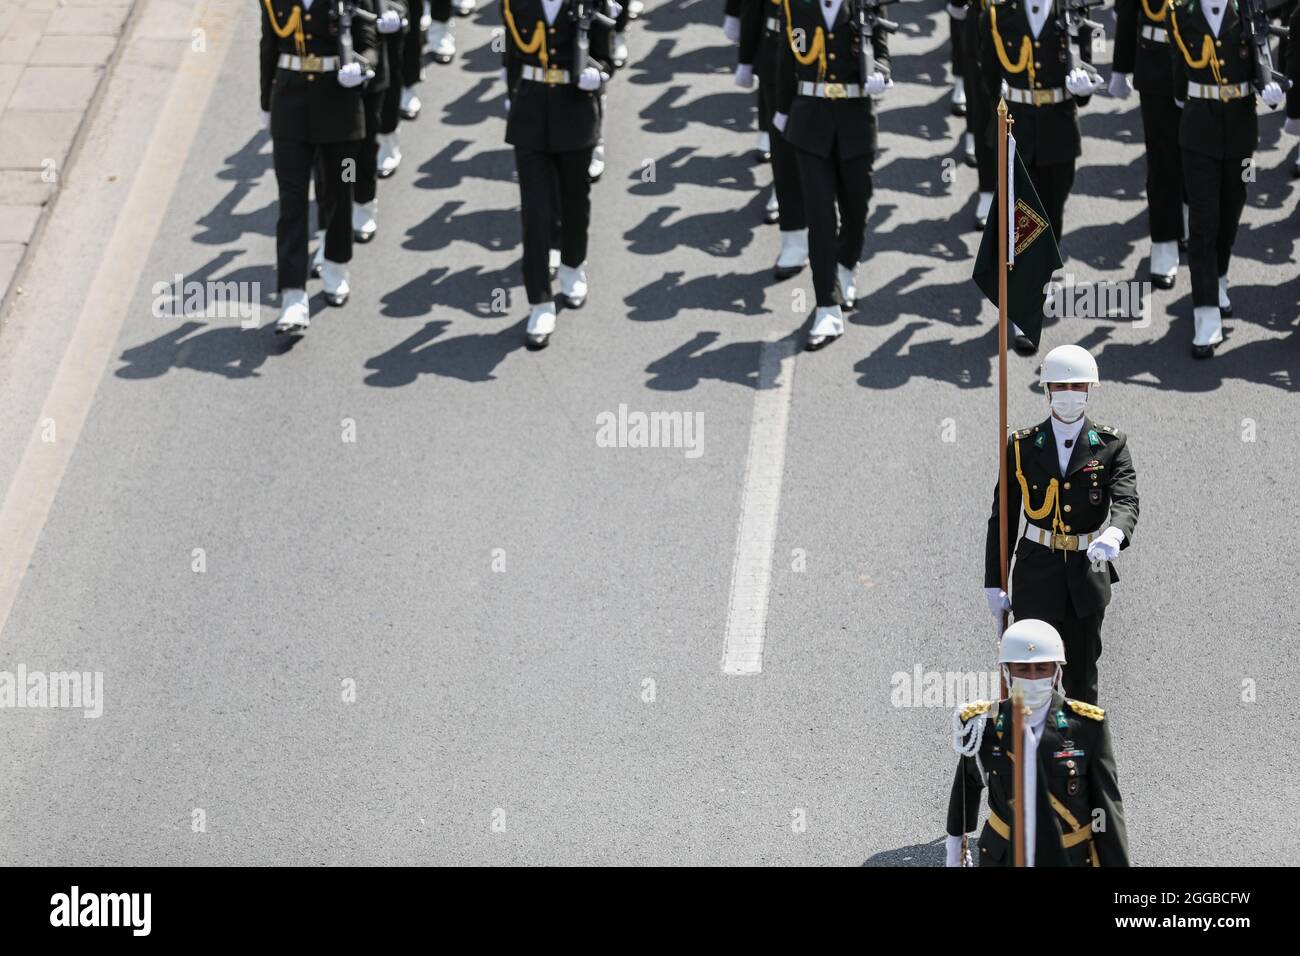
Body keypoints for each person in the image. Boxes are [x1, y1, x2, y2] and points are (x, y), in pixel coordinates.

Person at [983, 345, 1138, 705]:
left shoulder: (1111, 445)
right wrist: (995, 580)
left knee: (1083, 682)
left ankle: (1082, 758)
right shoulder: (1021, 446)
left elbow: (1127, 499)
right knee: (1032, 680)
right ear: (1047, 389)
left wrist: (1115, 532)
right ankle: (1030, 756)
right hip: (1036, 572)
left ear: (1090, 390)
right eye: (1061, 387)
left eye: (1078, 387)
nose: (1069, 395)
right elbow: (1002, 515)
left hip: (1086, 571)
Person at [946, 619, 1129, 867]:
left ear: (1056, 673)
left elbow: (1106, 809)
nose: (1032, 677)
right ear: (1007, 671)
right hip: (1004, 856)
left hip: (1068, 856)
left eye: (1041, 668)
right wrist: (955, 846)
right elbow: (966, 788)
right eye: (1022, 669)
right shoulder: (983, 726)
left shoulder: (1086, 727)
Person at [773, 0, 893, 351]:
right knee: (820, 216)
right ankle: (826, 304)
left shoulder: (869, 5)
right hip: (810, 122)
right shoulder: (796, 7)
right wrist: (781, 113)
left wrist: (880, 75)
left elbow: (884, 54)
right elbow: (786, 61)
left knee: (857, 208)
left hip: (855, 119)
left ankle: (846, 265)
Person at [1169, 0, 1285, 356]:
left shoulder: (1250, 11)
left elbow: (1262, 63)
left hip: (1242, 134)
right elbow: (1178, 88)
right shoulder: (1180, 15)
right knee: (1204, 221)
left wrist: (1271, 93)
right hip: (1198, 132)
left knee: (1233, 208)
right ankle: (1205, 314)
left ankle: (1219, 277)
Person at [501, 0, 617, 349]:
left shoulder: (589, 3)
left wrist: (598, 75)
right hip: (531, 113)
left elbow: (606, 58)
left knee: (574, 201)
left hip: (575, 110)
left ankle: (572, 266)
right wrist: (511, 98)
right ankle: (539, 301)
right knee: (534, 213)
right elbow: (511, 56)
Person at [260, 0, 377, 334]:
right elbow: (268, 45)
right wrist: (265, 103)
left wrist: (362, 69)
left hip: (338, 106)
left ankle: (336, 266)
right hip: (290, 105)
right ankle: (293, 296)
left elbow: (370, 47)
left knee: (339, 191)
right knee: (292, 201)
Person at [1112, 0, 1187, 289]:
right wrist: (1120, 68)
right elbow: (1128, 12)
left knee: (1198, 154)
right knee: (1162, 159)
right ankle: (1164, 242)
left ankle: (1189, 215)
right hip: (1157, 63)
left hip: (1203, 67)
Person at [737, 0, 808, 274]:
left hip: (832, 66)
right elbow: (752, 7)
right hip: (777, 50)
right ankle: (794, 240)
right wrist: (746, 58)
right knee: (783, 149)